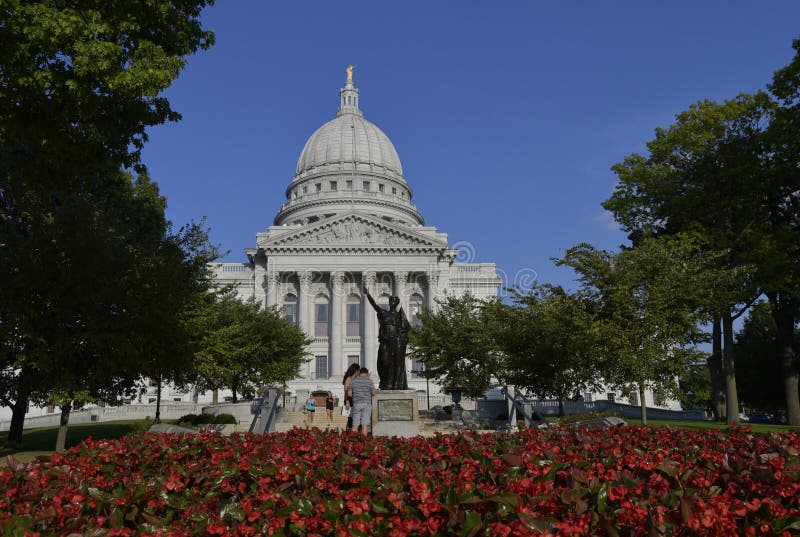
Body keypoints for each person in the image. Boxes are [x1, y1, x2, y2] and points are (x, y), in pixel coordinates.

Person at [365, 289, 410, 390]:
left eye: (393, 301)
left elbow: (406, 328)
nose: (391, 302)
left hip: (396, 341)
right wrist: (368, 295)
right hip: (386, 342)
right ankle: (385, 381)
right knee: (384, 362)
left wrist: (403, 340)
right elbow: (375, 306)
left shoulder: (400, 315)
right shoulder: (384, 313)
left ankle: (395, 384)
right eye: (390, 301)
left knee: (397, 363)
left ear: (396, 303)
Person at [347, 367, 376, 436]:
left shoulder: (353, 381)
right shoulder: (369, 381)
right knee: (364, 425)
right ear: (367, 373)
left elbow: (349, 394)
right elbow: (373, 393)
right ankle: (363, 443)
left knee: (355, 425)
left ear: (360, 373)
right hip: (366, 404)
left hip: (356, 404)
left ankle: (352, 442)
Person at [342, 362, 360, 430]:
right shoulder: (349, 379)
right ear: (355, 370)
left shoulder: (356, 379)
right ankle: (349, 433)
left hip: (355, 400)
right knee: (351, 419)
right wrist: (347, 401)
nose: (359, 372)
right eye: (358, 370)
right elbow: (346, 391)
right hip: (349, 400)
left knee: (355, 419)